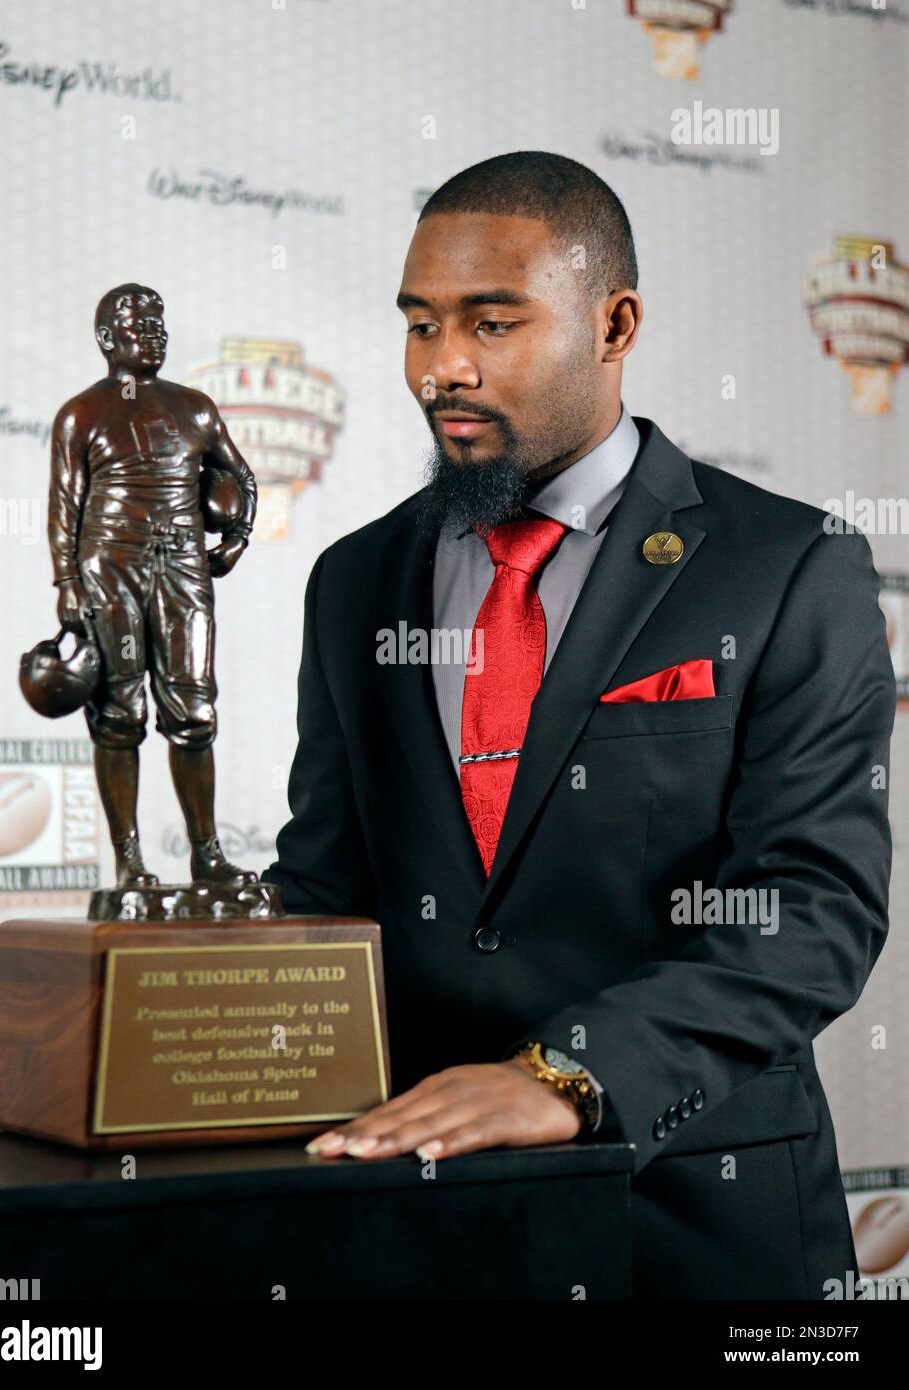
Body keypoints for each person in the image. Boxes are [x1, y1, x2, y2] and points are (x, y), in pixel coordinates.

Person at [261, 152, 895, 1298]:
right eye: (418, 325)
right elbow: (322, 892)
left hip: (700, 1228)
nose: (440, 367)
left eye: (490, 323)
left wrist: (562, 1076)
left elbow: (811, 908)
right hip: (415, 1228)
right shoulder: (353, 582)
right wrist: (160, 1060)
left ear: (614, 323)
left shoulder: (789, 567)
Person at [48, 282, 258, 889]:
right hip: (109, 569)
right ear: (107, 338)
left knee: (194, 711)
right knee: (118, 713)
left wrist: (236, 536)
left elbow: (239, 475)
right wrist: (66, 580)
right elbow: (65, 506)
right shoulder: (81, 414)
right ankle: (130, 863)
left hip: (183, 567)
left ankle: (206, 855)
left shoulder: (194, 407)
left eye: (160, 321)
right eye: (140, 322)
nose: (155, 331)